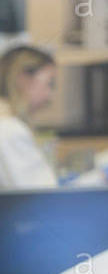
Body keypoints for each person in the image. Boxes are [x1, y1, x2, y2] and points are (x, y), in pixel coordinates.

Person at [0, 44, 57, 189]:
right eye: (49, 83)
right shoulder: (9, 129)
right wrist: (102, 176)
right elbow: (41, 198)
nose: (50, 96)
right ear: (23, 79)